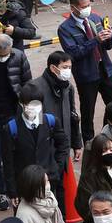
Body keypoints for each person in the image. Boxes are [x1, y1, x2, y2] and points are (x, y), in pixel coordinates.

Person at [57, 0, 112, 142]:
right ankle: (89, 143)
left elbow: (107, 45)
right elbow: (74, 53)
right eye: (83, 7)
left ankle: (108, 136)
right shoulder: (65, 29)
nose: (87, 9)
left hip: (105, 69)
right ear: (73, 8)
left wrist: (110, 37)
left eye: (88, 5)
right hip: (86, 75)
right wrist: (95, 40)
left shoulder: (95, 18)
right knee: (87, 111)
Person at [0, 83, 67, 209]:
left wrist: (57, 167)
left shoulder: (50, 121)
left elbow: (63, 144)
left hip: (48, 180)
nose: (32, 108)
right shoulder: (12, 128)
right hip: (24, 184)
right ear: (21, 104)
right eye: (28, 104)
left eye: (36, 104)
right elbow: (8, 162)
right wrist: (12, 191)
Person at [29, 50, 83, 190]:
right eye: (65, 67)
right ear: (53, 68)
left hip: (62, 148)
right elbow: (31, 124)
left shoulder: (67, 88)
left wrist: (76, 143)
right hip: (43, 151)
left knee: (61, 188)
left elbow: (73, 116)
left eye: (70, 67)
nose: (68, 71)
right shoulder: (36, 88)